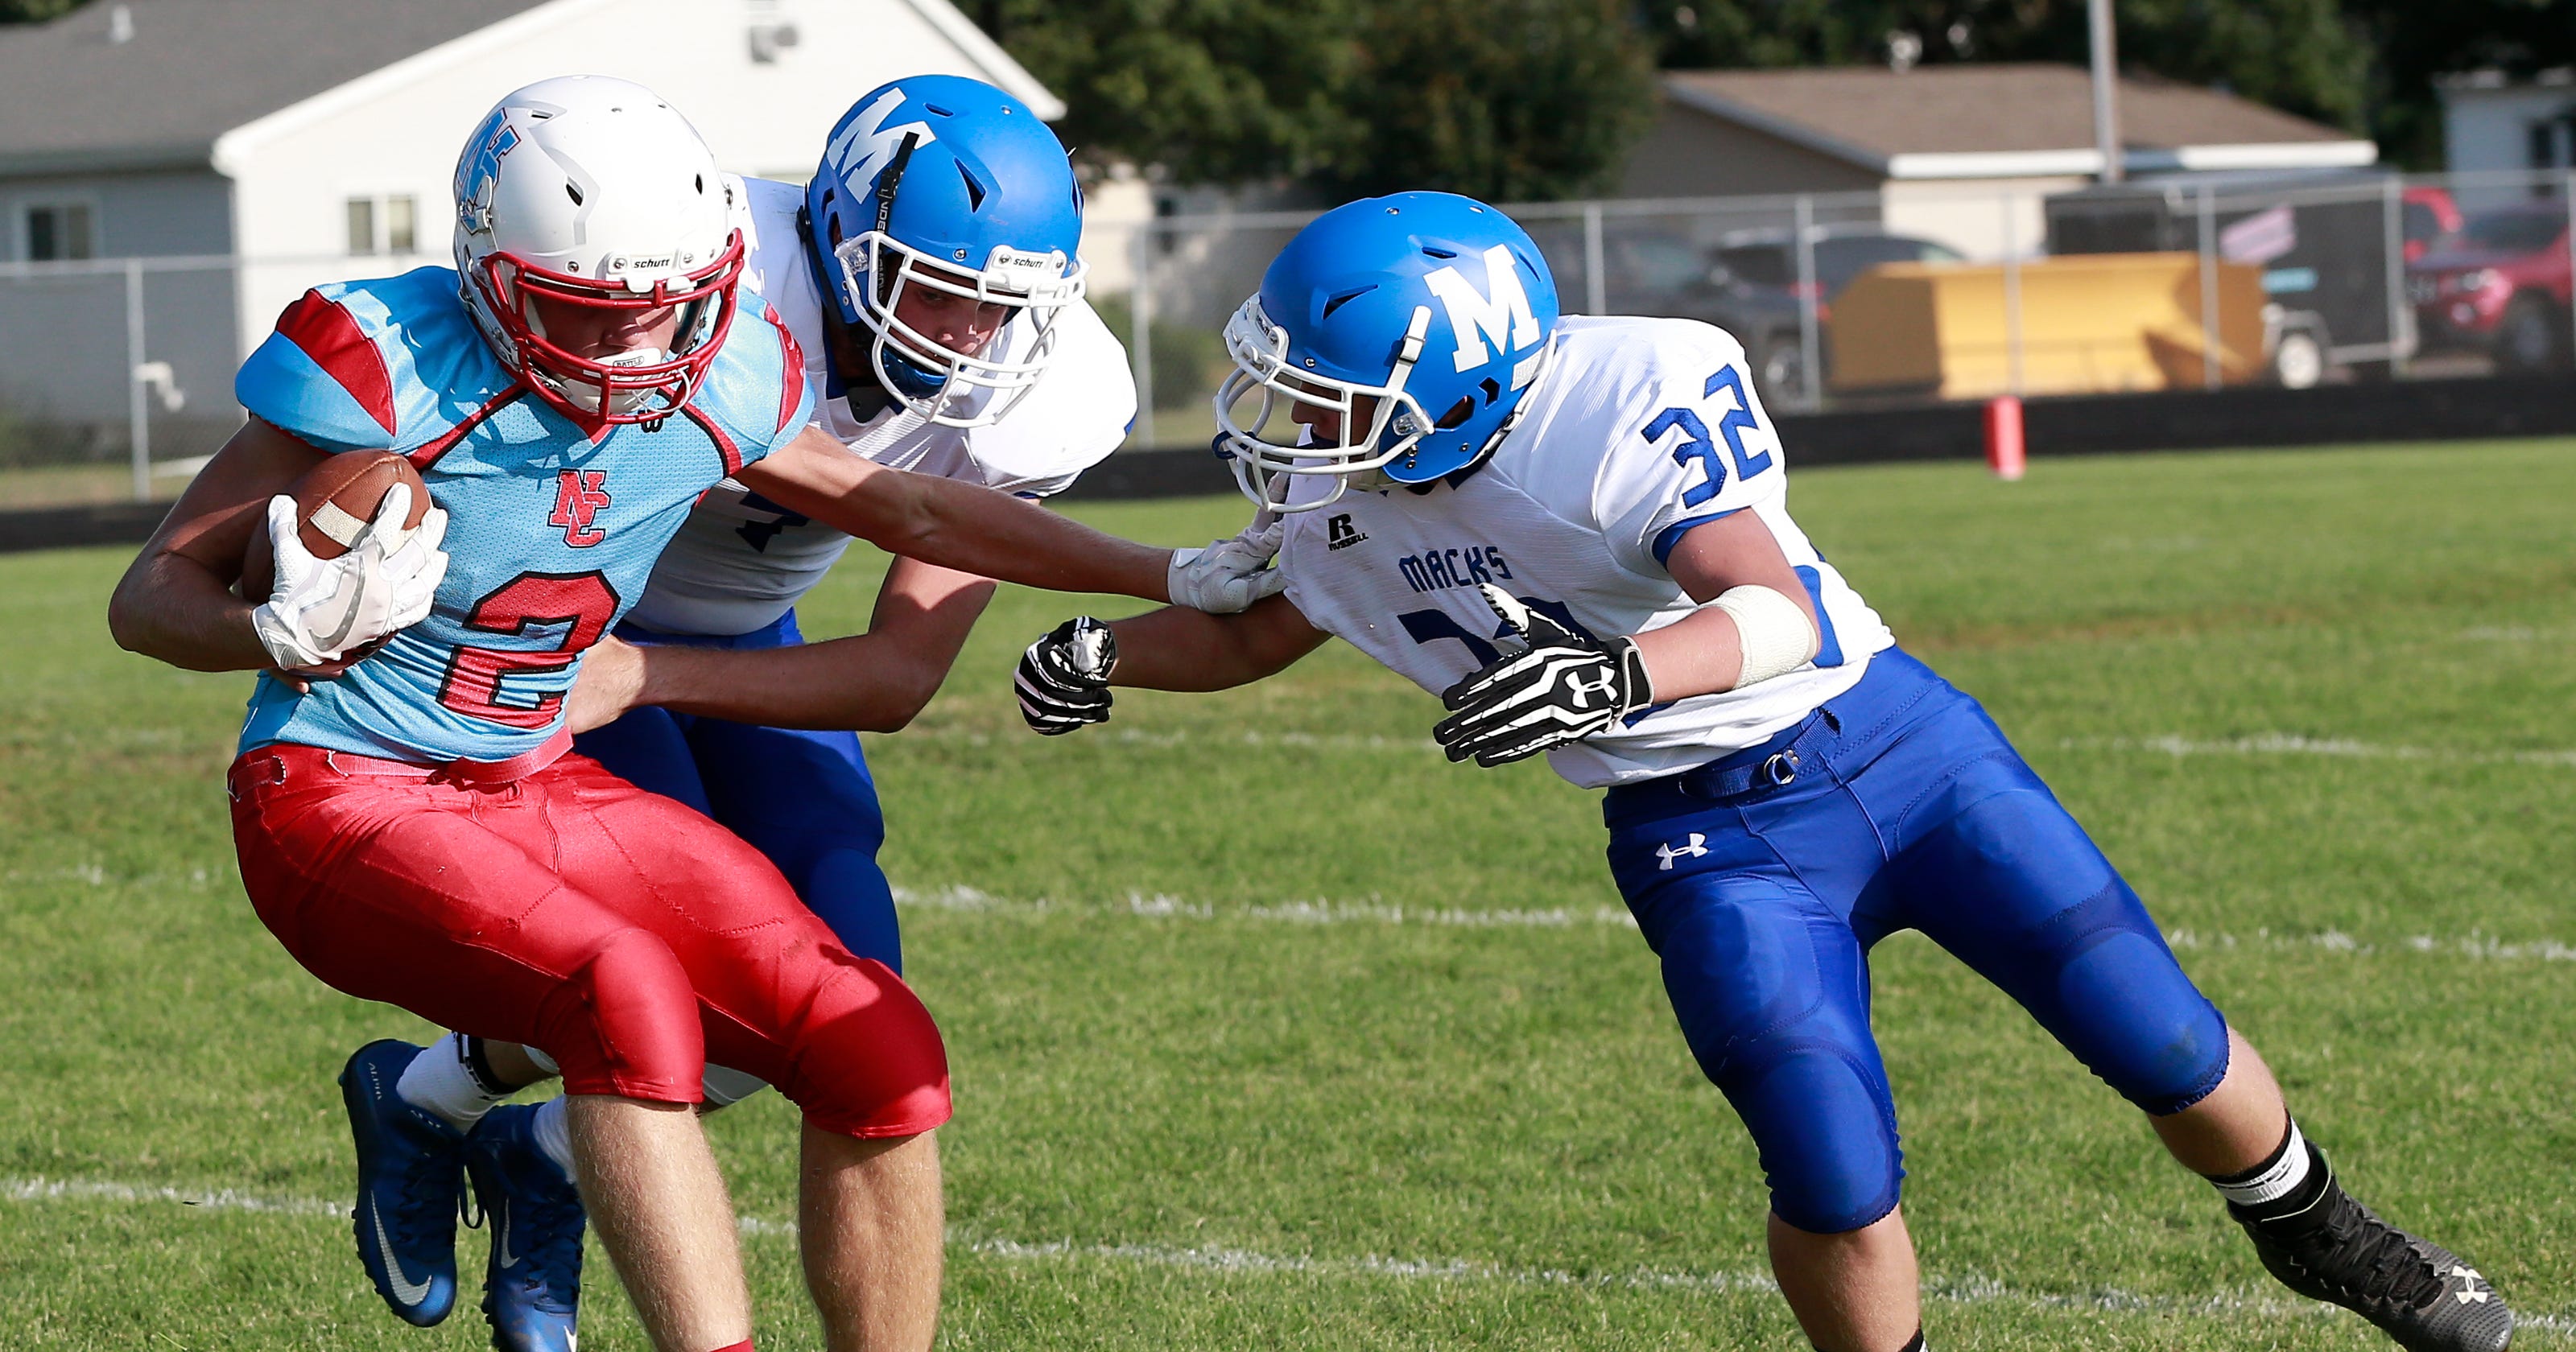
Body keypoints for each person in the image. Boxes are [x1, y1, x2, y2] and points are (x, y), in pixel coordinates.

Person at [1007, 192, 2514, 1352]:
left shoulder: (1618, 405)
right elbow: (1266, 632)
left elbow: (1772, 606)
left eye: (1333, 398)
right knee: (1831, 1158)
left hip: (1899, 748)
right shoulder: (1347, 508)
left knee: (2157, 1035)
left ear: (1459, 388)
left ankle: (2326, 1236)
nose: (1297, 430)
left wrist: (1618, 672)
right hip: (1706, 836)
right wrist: (1111, 658)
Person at [105, 76, 1274, 1352]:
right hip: (346, 779)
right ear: (496, 277)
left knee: (873, 1029)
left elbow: (913, 530)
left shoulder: (721, 360)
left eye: (671, 311)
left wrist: (1165, 570)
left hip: (556, 752)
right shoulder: (386, 361)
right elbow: (149, 596)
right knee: (628, 991)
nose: (633, 353)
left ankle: (505, 1142)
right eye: (587, 316)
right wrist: (268, 627)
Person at [369, 74, 1158, 1352]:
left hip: (713, 650)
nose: (965, 336)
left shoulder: (1045, 386)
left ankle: (491, 1131)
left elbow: (895, 676)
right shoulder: (705, 264)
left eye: (1001, 307)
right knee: (686, 974)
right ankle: (466, 1114)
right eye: (935, 287)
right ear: (833, 233)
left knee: (863, 1009)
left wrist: (657, 678)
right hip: (569, 626)